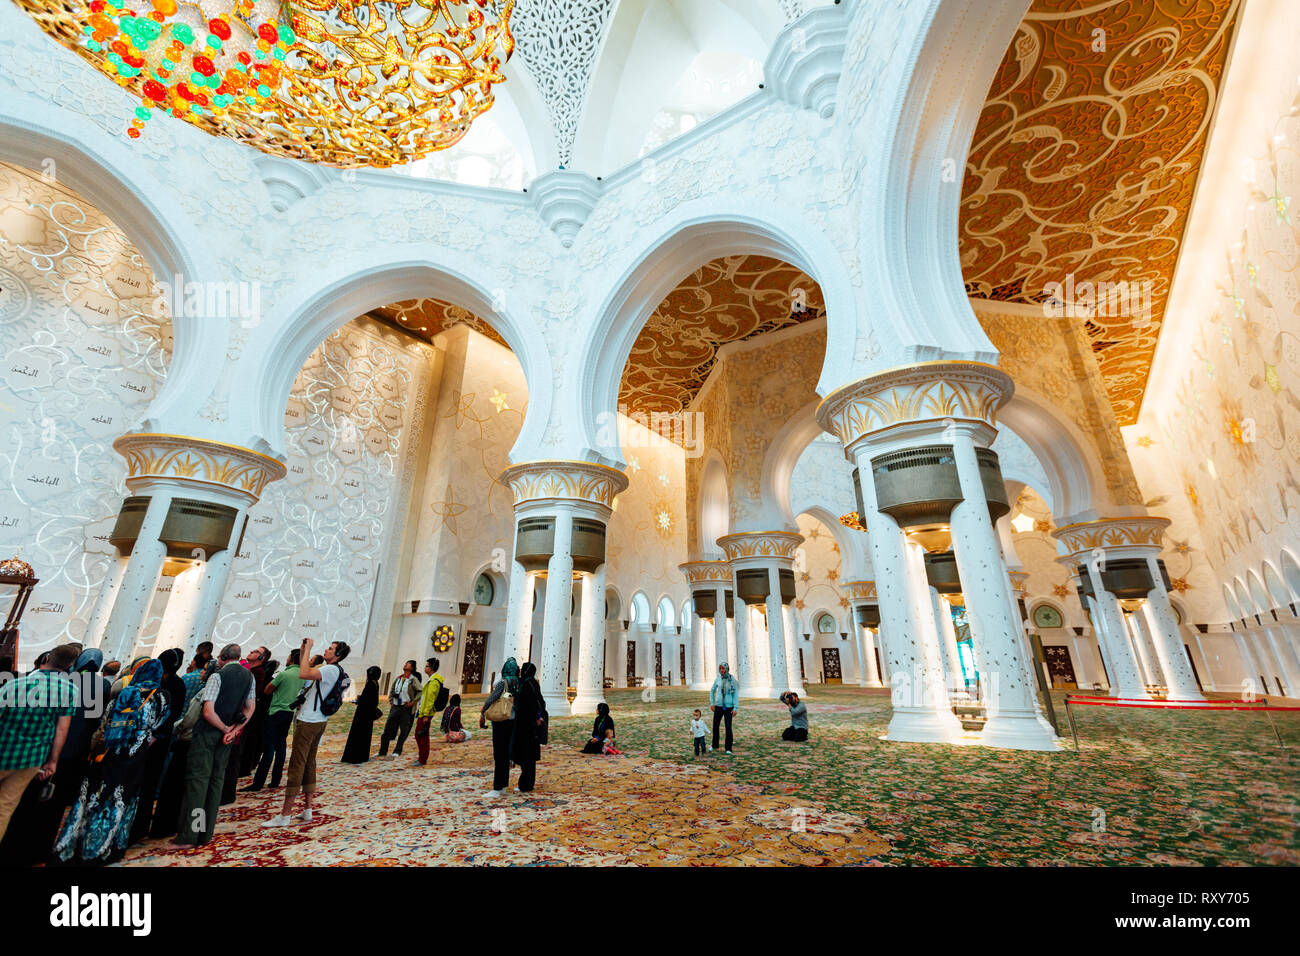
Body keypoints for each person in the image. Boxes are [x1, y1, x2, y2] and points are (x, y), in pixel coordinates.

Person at [54, 658, 168, 864]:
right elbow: (158, 726)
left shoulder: (122, 694)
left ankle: (77, 845)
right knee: (121, 799)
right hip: (135, 755)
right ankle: (107, 848)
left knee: (93, 796)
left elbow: (105, 722)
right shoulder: (160, 697)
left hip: (108, 751)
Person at [171, 644, 255, 848]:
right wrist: (234, 731)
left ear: (224, 657)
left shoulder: (217, 677)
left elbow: (208, 712)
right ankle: (205, 833)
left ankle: (190, 835)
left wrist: (225, 728)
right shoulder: (248, 677)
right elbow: (250, 708)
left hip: (209, 734)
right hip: (227, 738)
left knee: (198, 783)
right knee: (216, 782)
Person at [263, 638, 350, 828]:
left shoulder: (329, 670)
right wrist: (304, 651)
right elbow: (307, 669)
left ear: (338, 655)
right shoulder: (335, 670)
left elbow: (304, 673)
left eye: (331, 649)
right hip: (318, 720)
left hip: (309, 721)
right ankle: (307, 809)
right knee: (309, 763)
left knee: (297, 764)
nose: (326, 650)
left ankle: (285, 814)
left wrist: (309, 649)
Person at [0, 643, 79, 843]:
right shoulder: (69, 690)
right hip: (32, 758)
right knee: (5, 806)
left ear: (46, 659)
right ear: (70, 665)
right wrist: (52, 761)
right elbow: (62, 729)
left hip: (4, 751)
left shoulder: (13, 684)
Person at [150, 659, 219, 839]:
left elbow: (191, 718)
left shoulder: (206, 693)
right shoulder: (226, 690)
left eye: (205, 670)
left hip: (193, 741)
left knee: (185, 787)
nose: (201, 673)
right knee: (204, 789)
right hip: (213, 744)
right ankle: (201, 833)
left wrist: (177, 728)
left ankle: (188, 833)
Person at [129, 647, 186, 843]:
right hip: (160, 739)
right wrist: (158, 734)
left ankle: (131, 825)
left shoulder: (143, 685)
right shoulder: (177, 684)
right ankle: (141, 825)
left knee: (135, 781)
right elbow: (175, 714)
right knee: (149, 782)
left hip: (139, 739)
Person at [244, 649, 302, 792]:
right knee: (281, 746)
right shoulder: (302, 675)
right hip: (289, 712)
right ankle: (275, 780)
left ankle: (258, 782)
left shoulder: (284, 674)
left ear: (292, 659)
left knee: (268, 748)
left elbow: (267, 690)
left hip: (276, 711)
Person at [479, 657, 518, 797]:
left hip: (501, 719)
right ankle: (503, 785)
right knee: (505, 754)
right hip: (512, 720)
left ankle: (497, 788)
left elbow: (493, 697)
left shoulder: (504, 682)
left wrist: (483, 711)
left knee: (499, 754)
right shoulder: (517, 682)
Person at [511, 661, 546, 791]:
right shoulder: (534, 683)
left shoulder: (527, 685)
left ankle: (525, 785)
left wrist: (534, 718)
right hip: (531, 726)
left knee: (526, 756)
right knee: (529, 757)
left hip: (526, 726)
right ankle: (528, 783)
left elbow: (529, 705)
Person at [378, 660, 420, 758]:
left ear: (412, 668)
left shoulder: (413, 680)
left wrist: (412, 702)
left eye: (407, 664)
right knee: (387, 729)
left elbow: (420, 691)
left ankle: (397, 750)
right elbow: (392, 690)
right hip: (395, 707)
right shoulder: (399, 678)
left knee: (403, 730)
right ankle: (382, 751)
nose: (405, 665)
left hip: (406, 708)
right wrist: (391, 701)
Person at [342, 666, 381, 763]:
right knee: (364, 736)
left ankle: (354, 757)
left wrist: (359, 699)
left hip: (363, 714)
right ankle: (362, 756)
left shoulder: (370, 684)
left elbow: (366, 701)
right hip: (368, 714)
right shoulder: (375, 683)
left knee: (358, 735)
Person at [413, 657, 445, 766]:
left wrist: (426, 714)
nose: (425, 668)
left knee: (422, 736)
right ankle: (421, 757)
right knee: (419, 735)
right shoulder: (432, 680)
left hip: (426, 713)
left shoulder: (434, 682)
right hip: (423, 712)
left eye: (426, 666)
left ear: (431, 668)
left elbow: (430, 699)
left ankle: (422, 759)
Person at [709, 662, 739, 755]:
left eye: (723, 669)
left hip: (729, 707)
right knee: (715, 726)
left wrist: (735, 708)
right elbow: (712, 690)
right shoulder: (718, 679)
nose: (722, 670)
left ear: (727, 669)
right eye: (720, 669)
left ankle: (728, 748)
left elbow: (736, 694)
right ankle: (714, 745)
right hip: (718, 706)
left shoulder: (732, 680)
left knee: (728, 727)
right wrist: (712, 703)